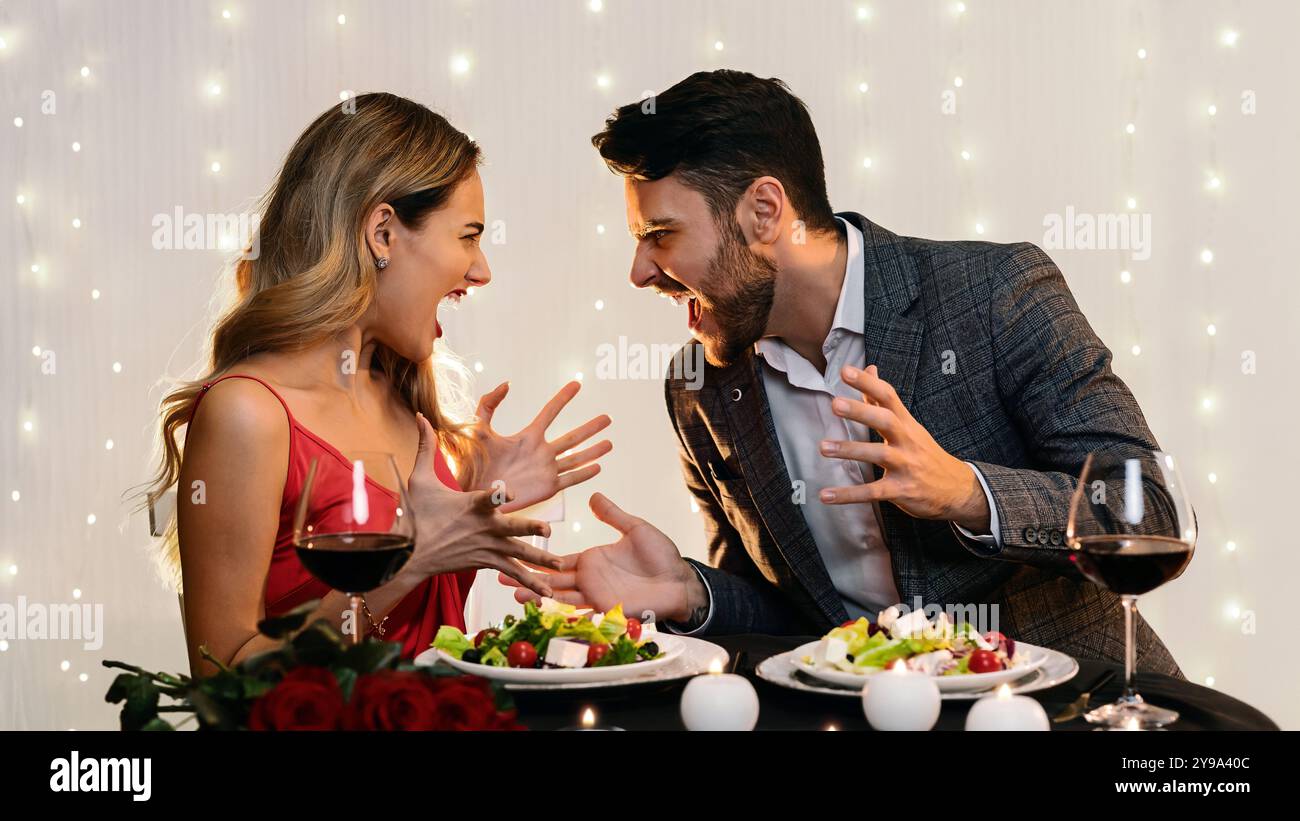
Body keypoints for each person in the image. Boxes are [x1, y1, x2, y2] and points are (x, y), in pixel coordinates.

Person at [505, 70, 1184, 676]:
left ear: (764, 212)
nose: (640, 272)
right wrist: (691, 591)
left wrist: (966, 492)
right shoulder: (698, 388)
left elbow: (1148, 506)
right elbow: (790, 620)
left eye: (661, 234)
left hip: (1079, 707)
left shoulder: (997, 292)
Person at [144, 93, 612, 676]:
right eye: (468, 236)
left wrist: (480, 497)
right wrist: (408, 559)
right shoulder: (247, 413)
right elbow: (222, 680)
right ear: (383, 234)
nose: (481, 269)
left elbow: (431, 634)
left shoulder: (400, 396)